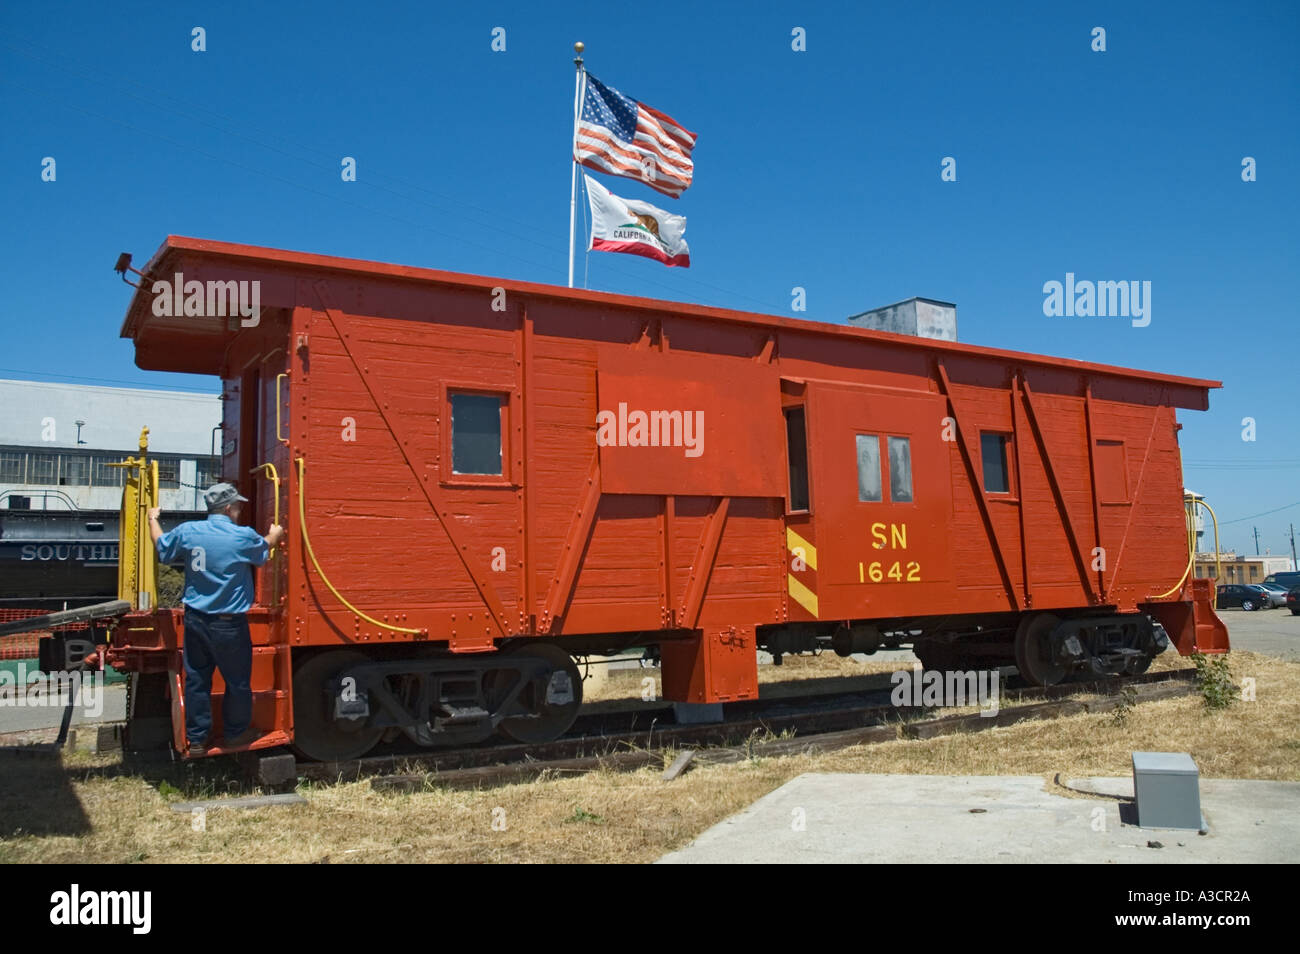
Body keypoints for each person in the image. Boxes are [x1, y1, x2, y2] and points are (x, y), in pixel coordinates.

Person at [148, 483, 284, 756]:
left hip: (195, 619)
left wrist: (153, 518)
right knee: (237, 681)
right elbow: (262, 552)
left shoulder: (189, 531)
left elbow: (161, 547)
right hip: (228, 622)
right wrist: (275, 536)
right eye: (238, 505)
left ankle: (197, 739)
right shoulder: (241, 536)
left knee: (197, 679)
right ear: (227, 508)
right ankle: (235, 734)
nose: (240, 508)